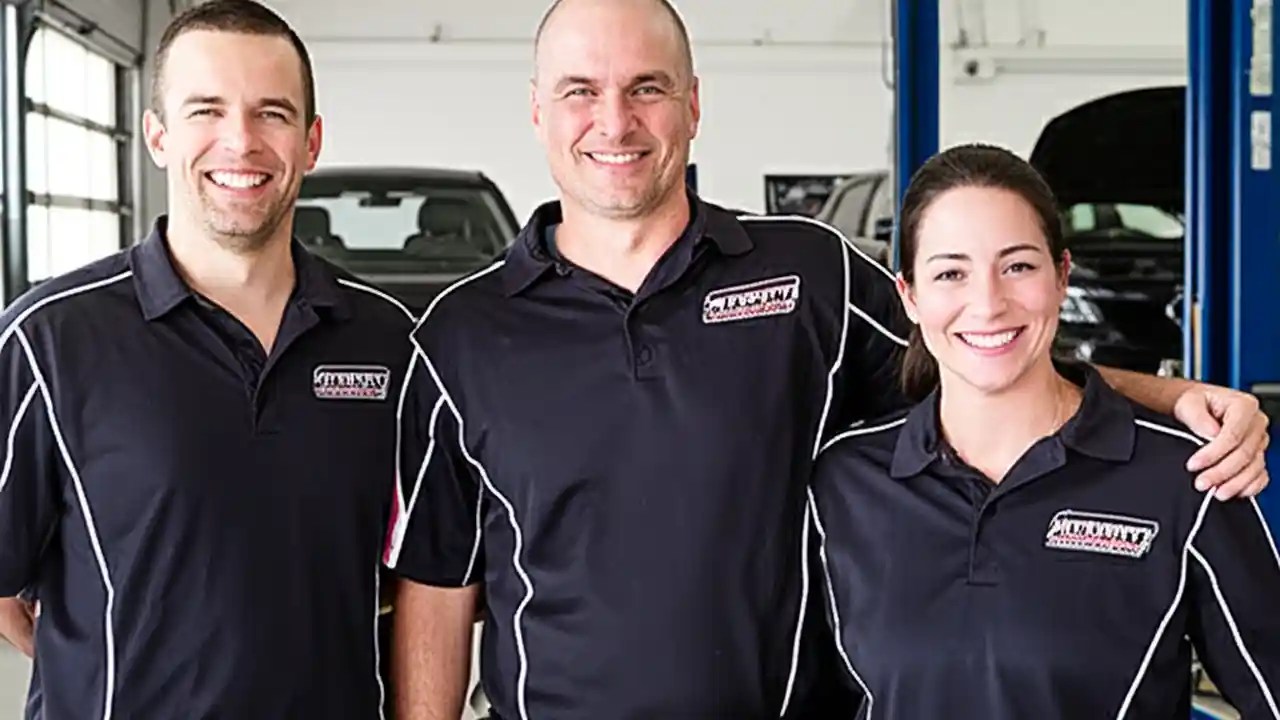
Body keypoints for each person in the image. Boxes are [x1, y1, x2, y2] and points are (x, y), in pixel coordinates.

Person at [385, 1, 1271, 718]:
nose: (615, 121)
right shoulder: (462, 334)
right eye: (581, 90)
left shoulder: (809, 275)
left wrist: (1173, 395)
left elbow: (977, 347)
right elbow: (438, 575)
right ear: (539, 110)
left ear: (694, 104)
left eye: (646, 88)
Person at [0, 1, 411, 717]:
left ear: (311, 142)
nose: (240, 142)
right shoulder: (49, 341)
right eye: (206, 111)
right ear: (157, 135)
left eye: (272, 113)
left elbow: (419, 581)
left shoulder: (389, 343)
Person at [810, 143, 1280, 718]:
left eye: (1018, 266)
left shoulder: (1187, 479)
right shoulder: (841, 484)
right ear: (908, 296)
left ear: (1062, 276)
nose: (987, 304)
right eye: (951, 273)